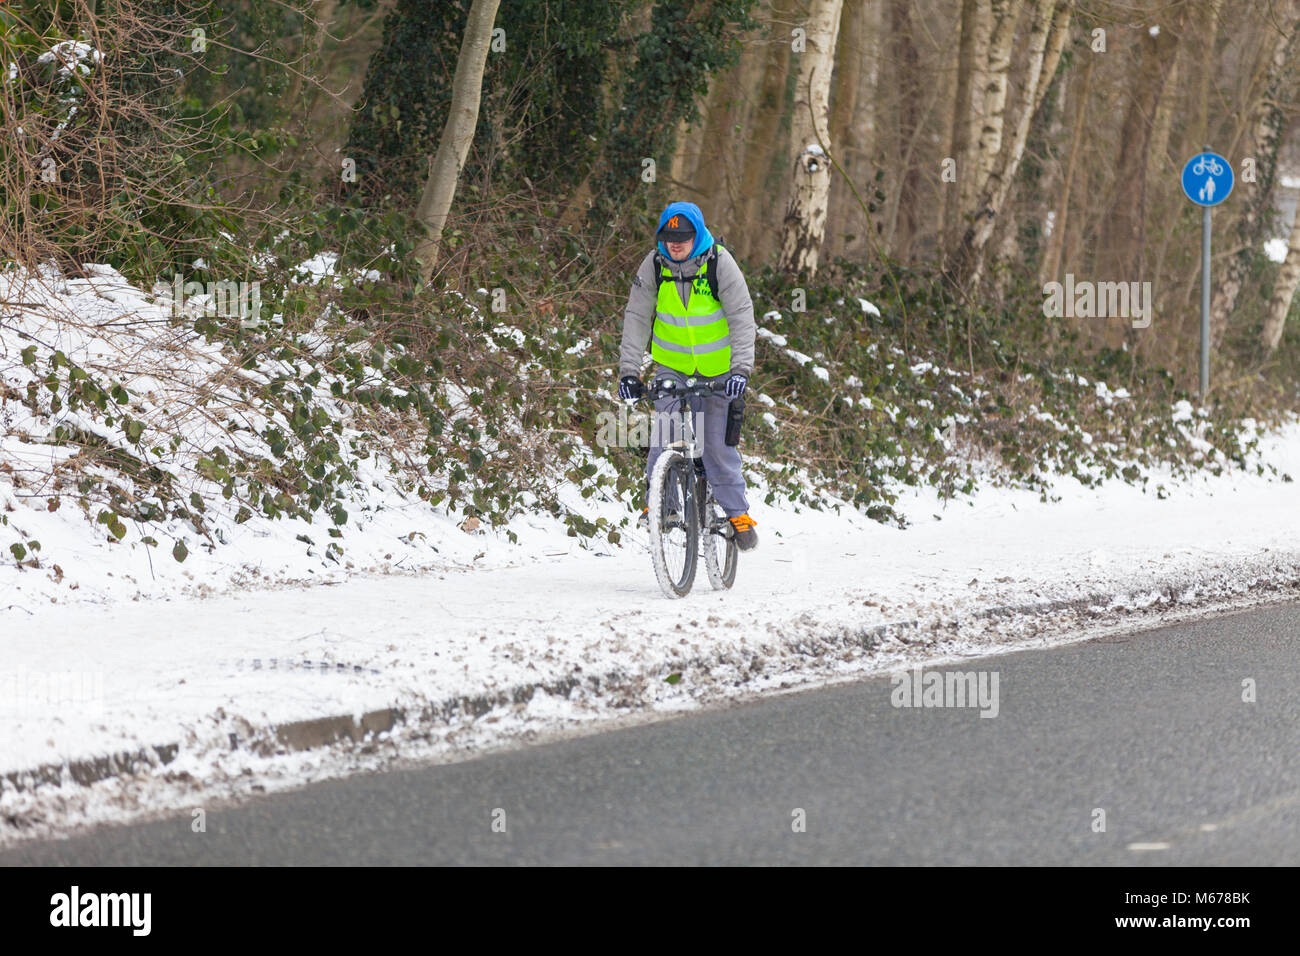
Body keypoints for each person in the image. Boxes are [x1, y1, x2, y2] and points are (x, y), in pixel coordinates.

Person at [617, 201, 758, 551]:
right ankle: (662, 506)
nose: (675, 244)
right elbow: (636, 316)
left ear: (697, 235)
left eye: (683, 237)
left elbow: (742, 316)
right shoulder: (653, 266)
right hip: (672, 367)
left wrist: (741, 369)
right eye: (668, 237)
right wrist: (629, 372)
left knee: (715, 447)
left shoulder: (719, 263)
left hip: (719, 371)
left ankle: (737, 514)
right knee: (665, 432)